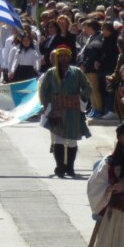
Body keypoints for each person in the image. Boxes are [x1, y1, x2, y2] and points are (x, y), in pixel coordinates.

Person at [38, 45, 92, 178]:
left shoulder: (77, 72)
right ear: (57, 57)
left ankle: (70, 168)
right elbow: (43, 89)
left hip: (73, 110)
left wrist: (80, 97)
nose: (63, 58)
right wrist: (45, 103)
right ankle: (60, 167)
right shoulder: (51, 72)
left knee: (72, 140)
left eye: (65, 56)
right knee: (59, 139)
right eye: (60, 56)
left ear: (69, 57)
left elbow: (88, 87)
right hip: (57, 109)